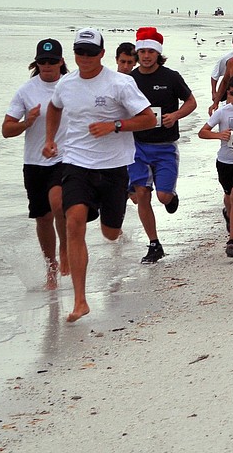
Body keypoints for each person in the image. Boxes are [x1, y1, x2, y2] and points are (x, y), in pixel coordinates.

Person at [43, 28, 157, 322]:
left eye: (91, 53)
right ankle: (80, 301)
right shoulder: (66, 84)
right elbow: (54, 109)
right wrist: (50, 138)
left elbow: (149, 119)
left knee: (110, 233)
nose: (84, 58)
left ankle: (116, 226)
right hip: (77, 163)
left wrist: (115, 126)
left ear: (102, 55)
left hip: (114, 167)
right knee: (74, 221)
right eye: (80, 52)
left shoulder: (120, 83)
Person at [3, 39, 70, 289]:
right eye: (43, 61)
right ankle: (51, 268)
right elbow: (6, 130)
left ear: (61, 62)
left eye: (53, 61)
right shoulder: (26, 90)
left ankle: (66, 250)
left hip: (65, 158)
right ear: (37, 62)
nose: (47, 65)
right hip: (34, 162)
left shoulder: (71, 85)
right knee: (43, 218)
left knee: (59, 202)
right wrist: (26, 123)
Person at [127, 27, 197, 264]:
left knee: (163, 197)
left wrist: (176, 115)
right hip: (137, 147)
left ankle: (171, 196)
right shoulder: (129, 80)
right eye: (142, 51)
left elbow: (191, 102)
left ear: (158, 53)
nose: (146, 56)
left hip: (165, 146)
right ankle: (154, 244)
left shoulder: (171, 77)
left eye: (150, 51)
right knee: (141, 195)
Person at [198, 74, 233, 258]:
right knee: (229, 197)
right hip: (224, 162)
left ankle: (232, 241)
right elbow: (202, 132)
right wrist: (219, 135)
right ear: (228, 94)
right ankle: (230, 216)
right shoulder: (222, 112)